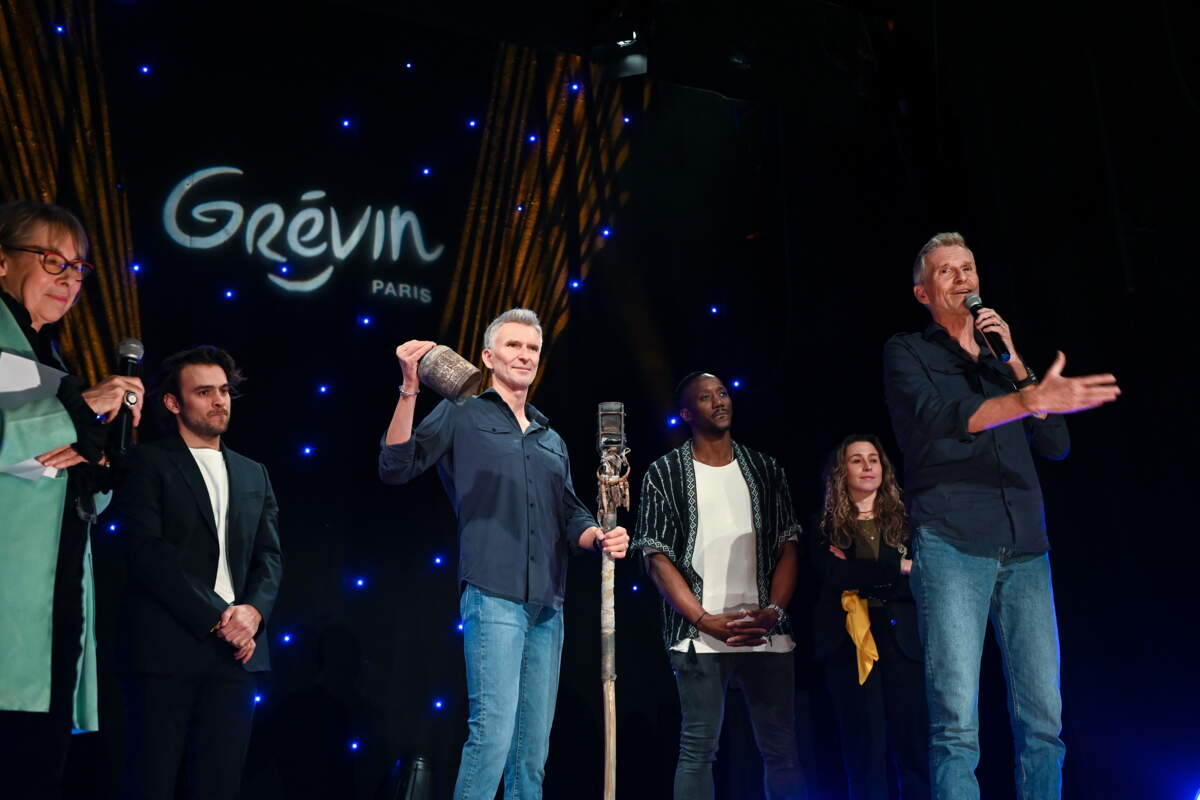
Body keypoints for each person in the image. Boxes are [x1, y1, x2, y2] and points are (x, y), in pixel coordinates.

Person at [883, 232, 1121, 799]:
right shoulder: (907, 351)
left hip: (1026, 549)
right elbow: (941, 421)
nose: (963, 278)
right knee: (955, 726)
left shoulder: (1001, 361)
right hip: (952, 543)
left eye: (968, 267)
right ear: (923, 293)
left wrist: (1015, 362)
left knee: (1044, 722)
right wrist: (1025, 401)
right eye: (947, 271)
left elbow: (1055, 444)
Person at [378, 308, 630, 800]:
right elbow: (396, 465)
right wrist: (410, 389)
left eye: (532, 348)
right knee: (491, 736)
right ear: (488, 357)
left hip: (548, 605)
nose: (524, 355)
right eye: (513, 345)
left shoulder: (551, 437)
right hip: (493, 592)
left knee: (531, 754)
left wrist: (600, 537)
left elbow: (571, 513)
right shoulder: (462, 413)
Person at [0, 200, 145, 799]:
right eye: (52, 260)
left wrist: (99, 464)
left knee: (38, 766)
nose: (69, 279)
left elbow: (53, 483)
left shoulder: (48, 359)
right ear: (2, 262)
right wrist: (79, 409)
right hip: (11, 602)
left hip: (51, 603)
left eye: (79, 267)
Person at [113, 346, 283, 800]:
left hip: (238, 654)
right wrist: (218, 615)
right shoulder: (148, 462)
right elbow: (146, 552)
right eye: (204, 392)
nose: (219, 400)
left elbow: (269, 557)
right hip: (167, 647)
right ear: (173, 403)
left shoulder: (254, 473)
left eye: (223, 391)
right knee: (149, 781)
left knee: (219, 784)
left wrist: (252, 614)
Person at [632, 371, 807, 800]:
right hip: (698, 636)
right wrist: (703, 619)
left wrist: (774, 612)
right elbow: (656, 558)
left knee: (781, 749)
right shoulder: (665, 473)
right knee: (698, 749)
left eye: (723, 393)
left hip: (765, 632)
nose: (719, 401)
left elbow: (788, 545)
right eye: (706, 397)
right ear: (687, 413)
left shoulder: (765, 469)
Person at [811, 434, 929, 800]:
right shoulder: (824, 526)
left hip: (903, 641)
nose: (867, 466)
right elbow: (835, 575)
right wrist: (898, 568)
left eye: (873, 459)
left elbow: (925, 578)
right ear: (841, 471)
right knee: (865, 750)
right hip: (849, 647)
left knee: (914, 747)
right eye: (856, 460)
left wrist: (864, 573)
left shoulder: (909, 522)